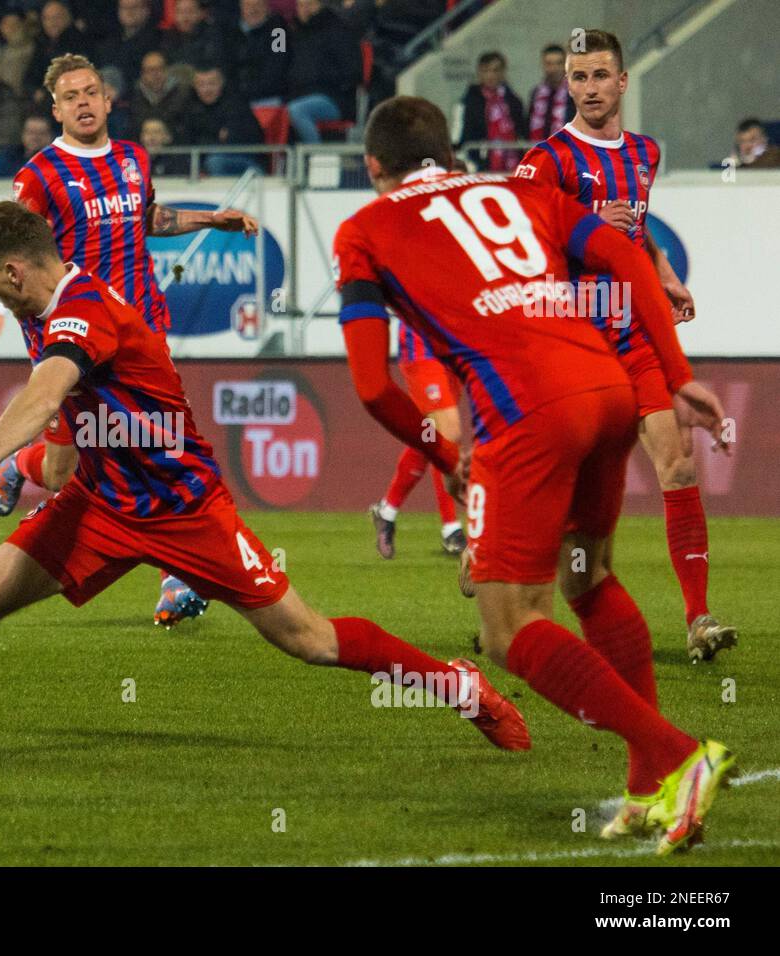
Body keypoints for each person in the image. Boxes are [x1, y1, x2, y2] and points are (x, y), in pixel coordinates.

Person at [0, 198, 530, 762]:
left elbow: (44, 393)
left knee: (312, 641)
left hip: (185, 507)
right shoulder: (37, 274)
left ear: (19, 273)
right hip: (102, 500)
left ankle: (461, 687)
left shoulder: (85, 312)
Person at [335, 94, 735, 855]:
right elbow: (623, 255)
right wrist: (675, 373)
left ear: (373, 167)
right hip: (610, 388)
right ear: (450, 154)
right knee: (588, 579)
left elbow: (369, 384)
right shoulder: (522, 190)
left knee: (507, 626)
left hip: (529, 412)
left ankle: (679, 755)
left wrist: (446, 453)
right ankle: (650, 785)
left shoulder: (364, 230)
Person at [0, 53, 259, 628]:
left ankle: (177, 575)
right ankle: (25, 465)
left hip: (139, 335)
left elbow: (146, 218)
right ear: (56, 108)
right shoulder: (38, 177)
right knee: (65, 473)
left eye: (93, 91)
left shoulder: (134, 159)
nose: (84, 102)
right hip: (71, 343)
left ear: (109, 100)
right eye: (72, 96)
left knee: (165, 448)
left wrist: (210, 220)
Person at [515, 29, 737, 662]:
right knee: (559, 486)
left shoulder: (644, 153)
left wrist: (663, 274)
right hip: (571, 345)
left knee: (680, 463)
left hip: (632, 334)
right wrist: (585, 230)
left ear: (622, 82)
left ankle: (698, 620)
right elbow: (520, 250)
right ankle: (512, 591)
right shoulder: (546, 160)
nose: (587, 88)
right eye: (577, 78)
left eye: (597, 76)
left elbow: (638, 229)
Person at [367, 322, 465, 559]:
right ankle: (451, 528)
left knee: (429, 433)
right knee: (444, 433)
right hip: (421, 345)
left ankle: (387, 511)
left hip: (456, 342)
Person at [285, 0, 363, 143]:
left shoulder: (338, 29)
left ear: (321, 5)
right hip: (298, 95)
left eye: (310, 4)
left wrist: (320, 79)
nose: (305, 10)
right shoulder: (293, 34)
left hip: (333, 98)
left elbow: (353, 72)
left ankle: (319, 157)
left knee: (296, 111)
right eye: (301, 5)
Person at [179, 64, 263, 176]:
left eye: (212, 83)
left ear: (221, 84)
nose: (206, 89)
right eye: (201, 84)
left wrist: (208, 137)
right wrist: (216, 134)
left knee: (215, 161)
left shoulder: (237, 105)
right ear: (194, 86)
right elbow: (185, 140)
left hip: (245, 160)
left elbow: (241, 139)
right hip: (201, 159)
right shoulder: (189, 107)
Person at [456, 51, 527, 171]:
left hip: (513, 164)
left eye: (495, 70)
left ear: (503, 72)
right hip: (480, 164)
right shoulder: (468, 101)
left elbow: (522, 131)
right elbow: (459, 133)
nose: (490, 75)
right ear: (479, 73)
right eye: (486, 71)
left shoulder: (514, 100)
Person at [225, 0, 288, 106]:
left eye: (258, 5)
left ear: (267, 7)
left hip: (268, 97)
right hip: (238, 98)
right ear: (241, 8)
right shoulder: (232, 33)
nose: (253, 10)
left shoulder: (278, 30)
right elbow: (227, 66)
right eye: (248, 5)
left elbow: (278, 65)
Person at [526, 44, 574, 143]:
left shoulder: (574, 93)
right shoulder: (536, 93)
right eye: (549, 64)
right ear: (543, 65)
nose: (554, 69)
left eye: (558, 63)